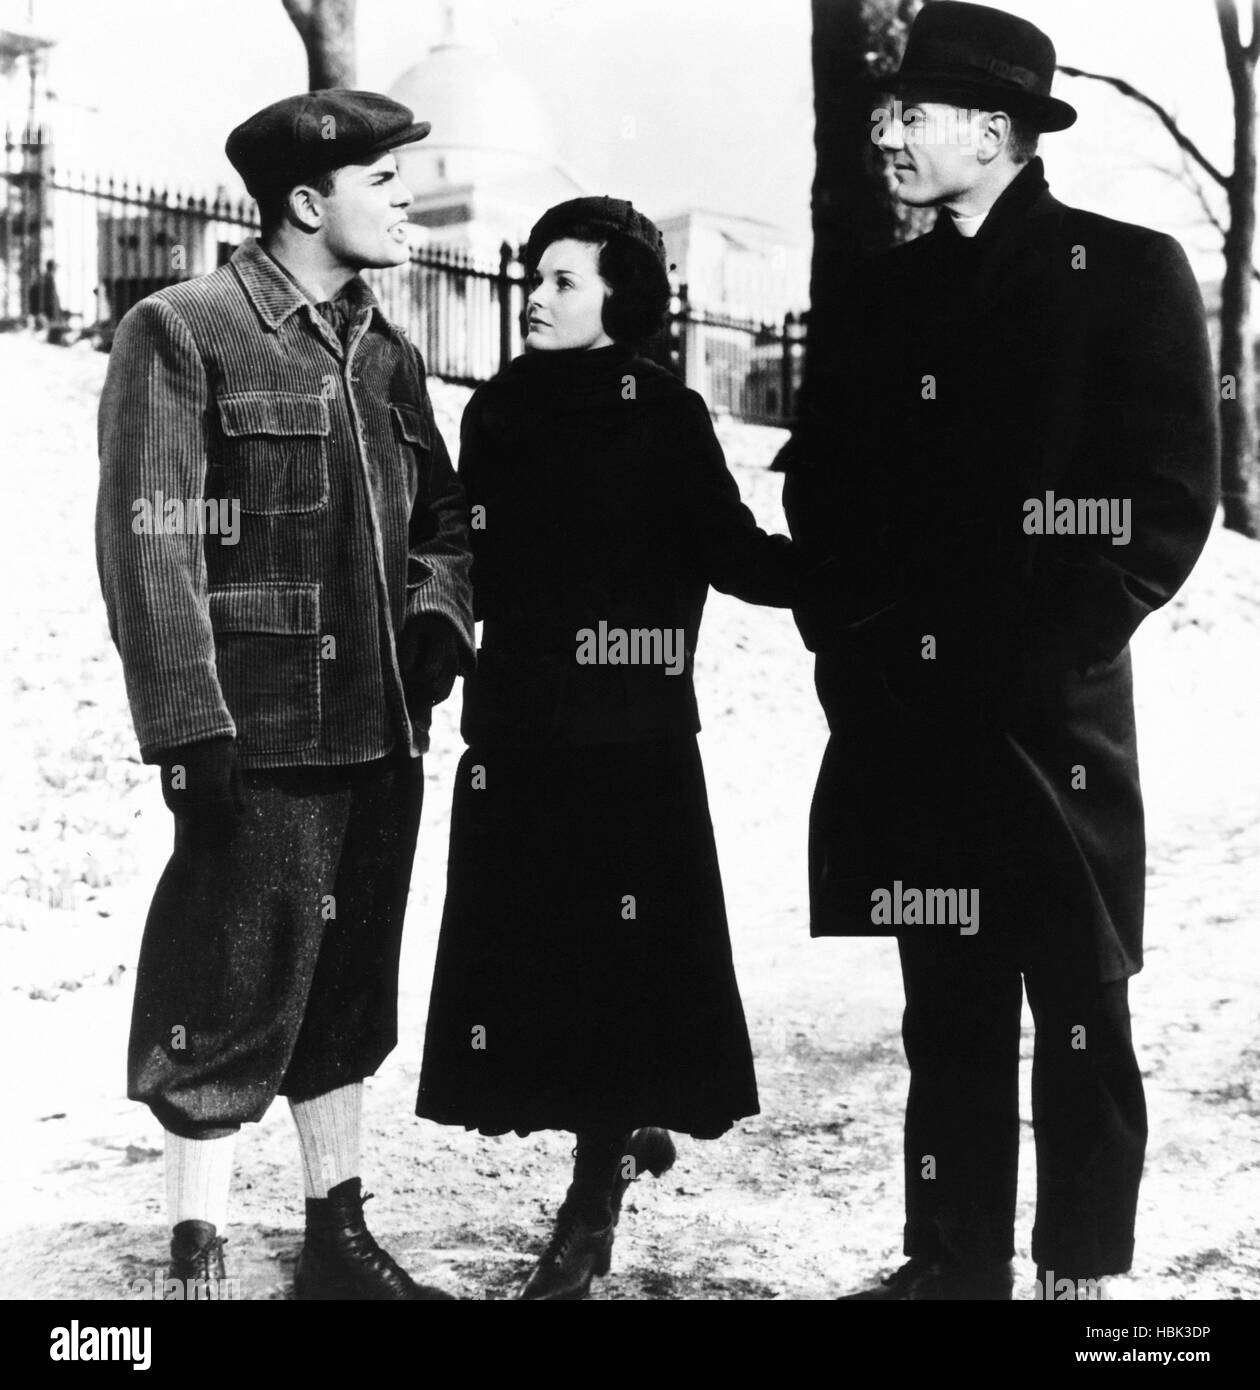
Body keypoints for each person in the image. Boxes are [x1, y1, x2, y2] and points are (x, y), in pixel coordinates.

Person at [783, 2, 1220, 1300]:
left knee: (1080, 1001)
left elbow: (1160, 504)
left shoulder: (1127, 271)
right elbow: (822, 484)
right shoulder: (876, 291)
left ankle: (1080, 1274)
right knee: (948, 1007)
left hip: (1049, 724)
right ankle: (952, 1263)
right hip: (907, 716)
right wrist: (850, 639)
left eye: (913, 112)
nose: (889, 131)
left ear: (997, 129)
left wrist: (1050, 644)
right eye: (883, 109)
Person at [96, 90, 475, 1301]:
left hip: (381, 733)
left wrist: (437, 613)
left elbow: (451, 522)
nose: (407, 195)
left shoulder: (390, 351)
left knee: (349, 988)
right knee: (224, 987)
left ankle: (338, 1237)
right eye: (384, 178)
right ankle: (197, 1244)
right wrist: (189, 725)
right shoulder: (185, 328)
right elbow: (151, 541)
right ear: (310, 202)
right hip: (254, 736)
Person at [415, 195, 802, 1300]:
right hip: (521, 734)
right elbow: (462, 550)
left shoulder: (666, 414)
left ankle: (592, 1198)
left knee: (620, 967)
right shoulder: (495, 411)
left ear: (618, 298)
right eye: (534, 275)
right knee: (550, 964)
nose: (535, 293)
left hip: (630, 739)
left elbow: (728, 551)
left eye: (563, 280)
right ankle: (610, 1130)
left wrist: (852, 574)